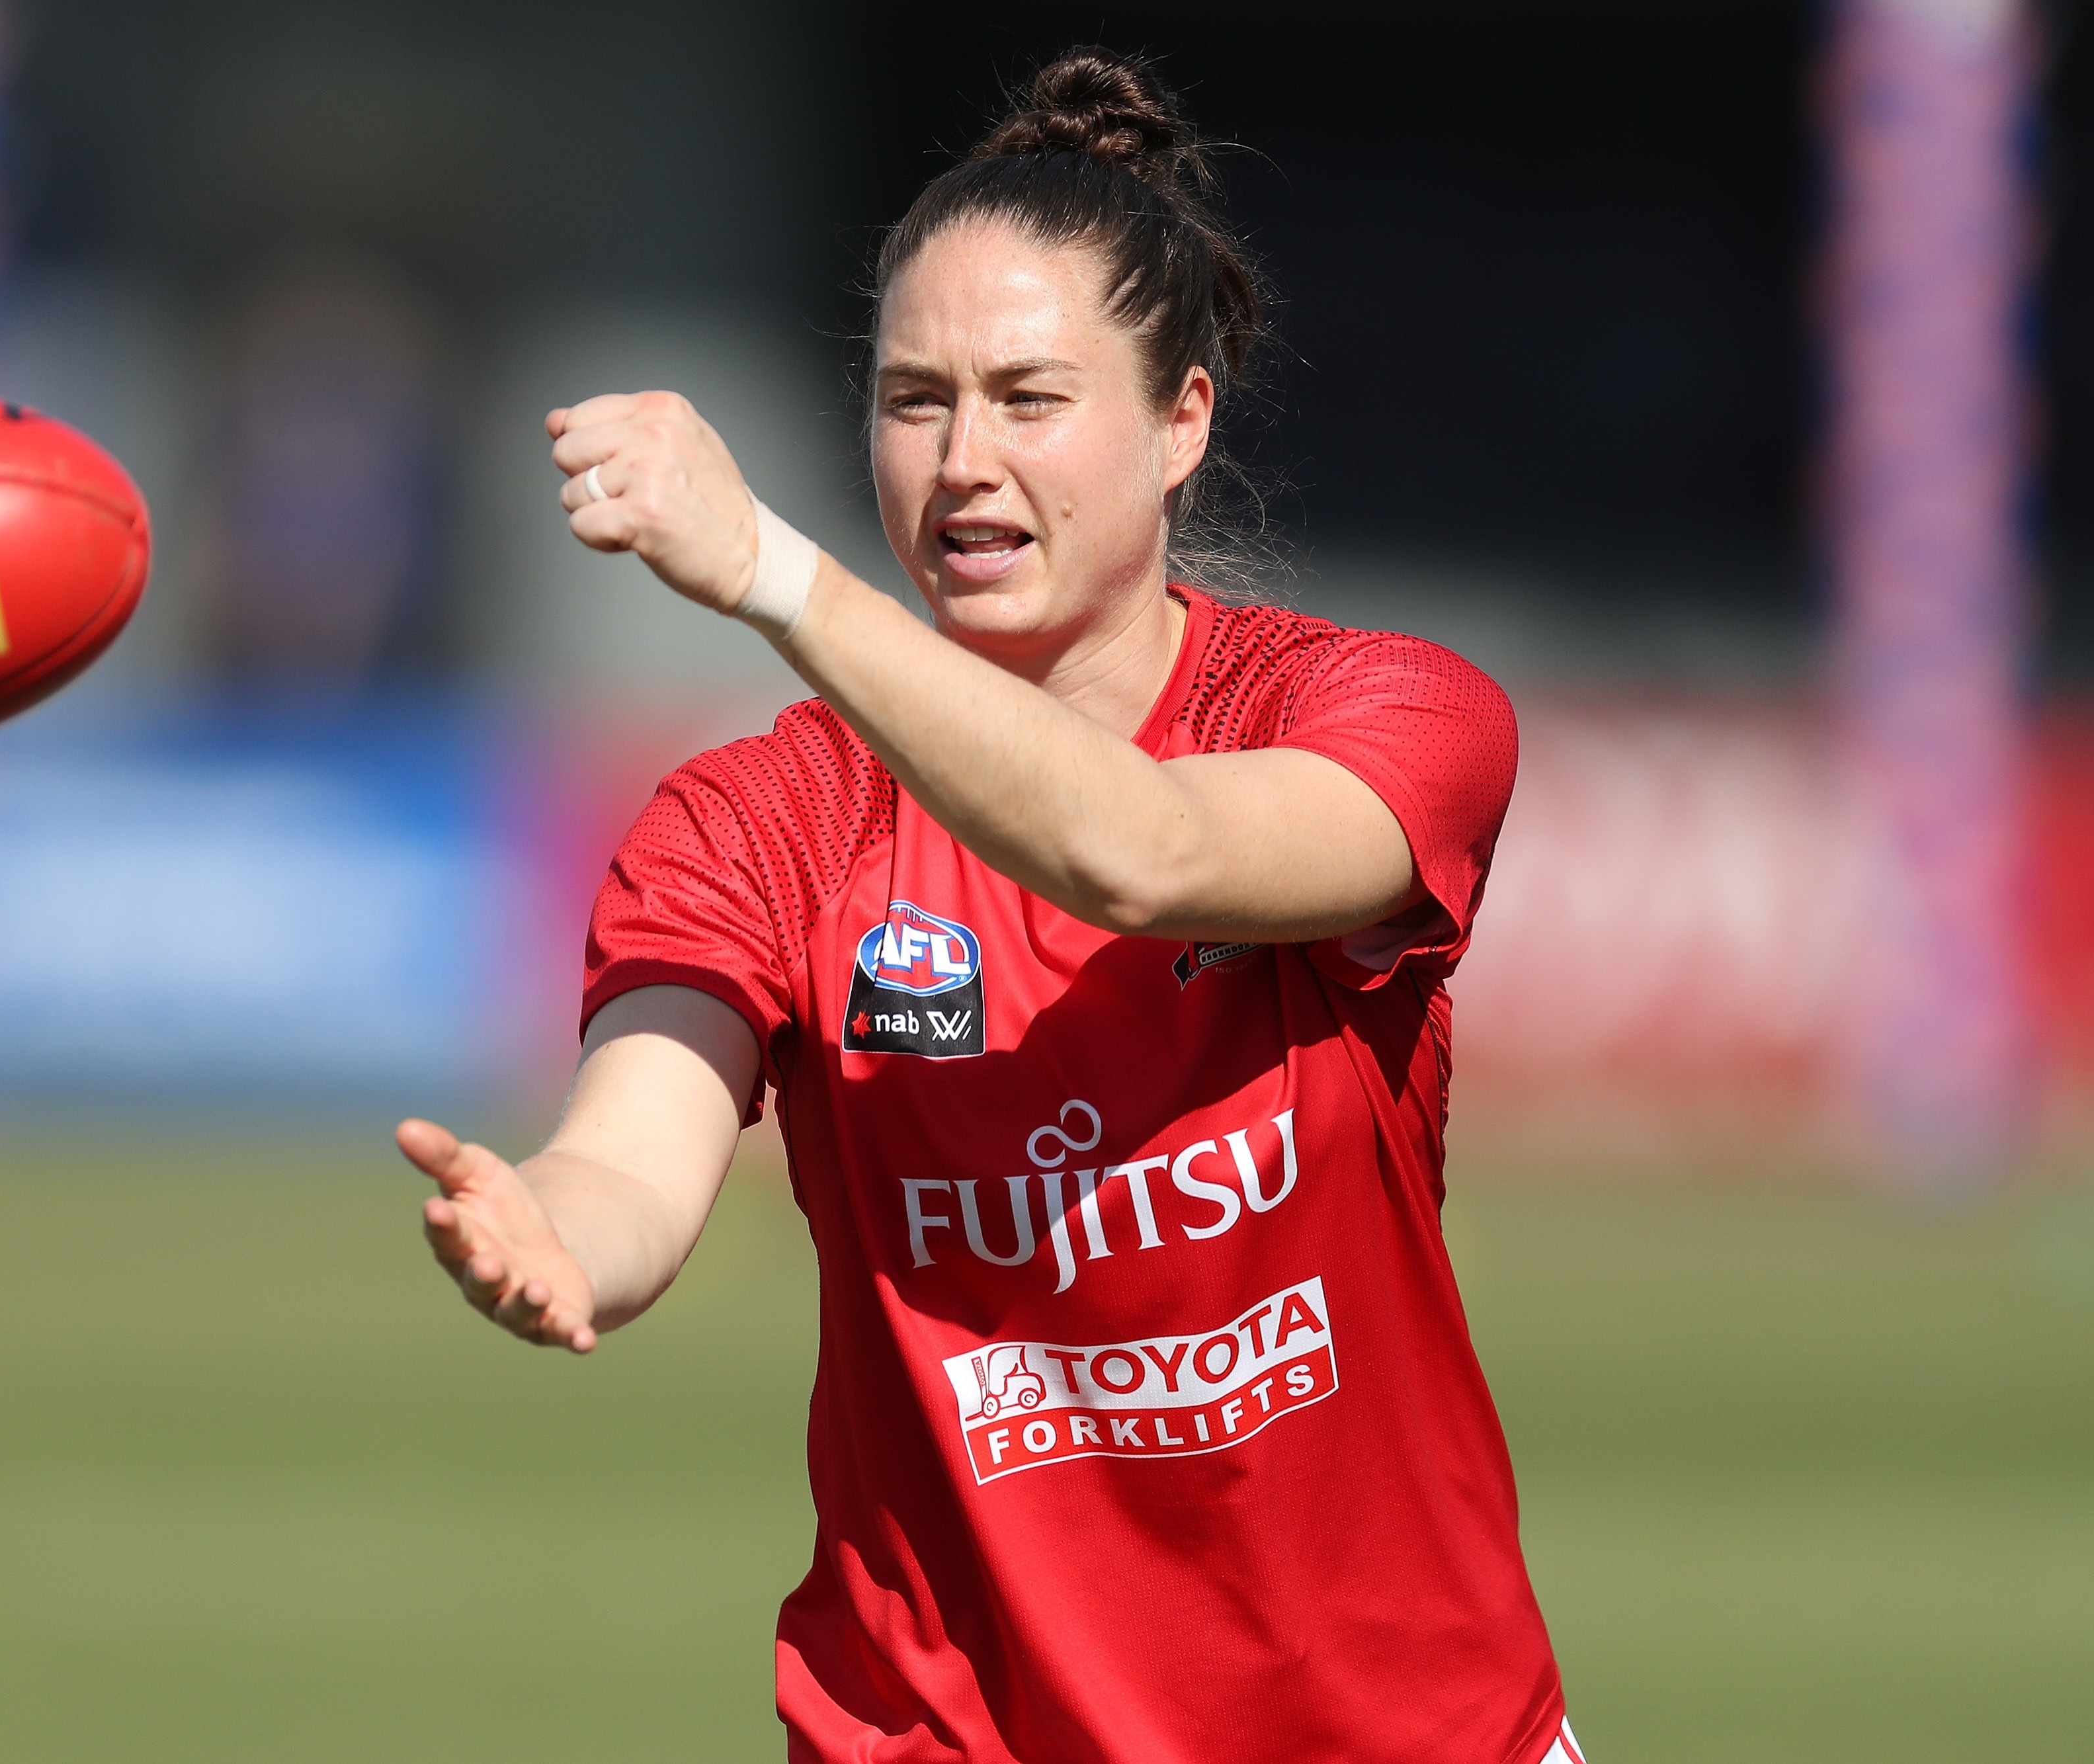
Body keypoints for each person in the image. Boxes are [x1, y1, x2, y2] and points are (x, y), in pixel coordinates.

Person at [397, 48, 1579, 1764]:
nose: (963, 460)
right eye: (913, 400)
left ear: (1183, 421)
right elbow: (635, 1157)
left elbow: (1143, 852)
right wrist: (560, 1231)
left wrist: (773, 574)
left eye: (1029, 398)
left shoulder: (1383, 713)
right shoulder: (760, 821)